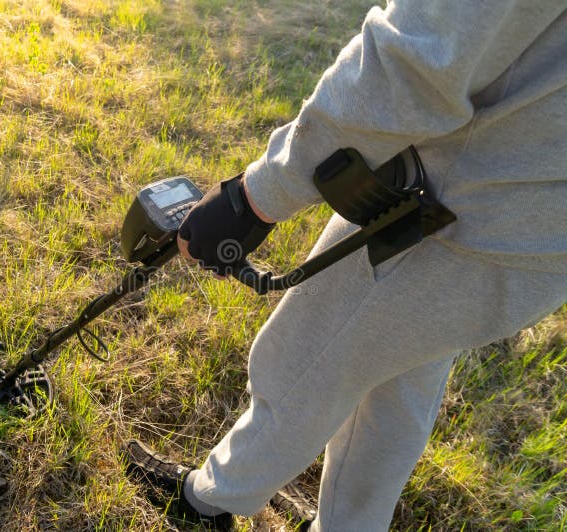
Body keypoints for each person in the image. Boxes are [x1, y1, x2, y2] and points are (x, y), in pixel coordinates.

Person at [125, 1, 567, 531]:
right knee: (398, 379)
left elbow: (416, 65)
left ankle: (208, 503)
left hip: (449, 214)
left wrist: (256, 197)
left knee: (303, 360)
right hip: (536, 238)